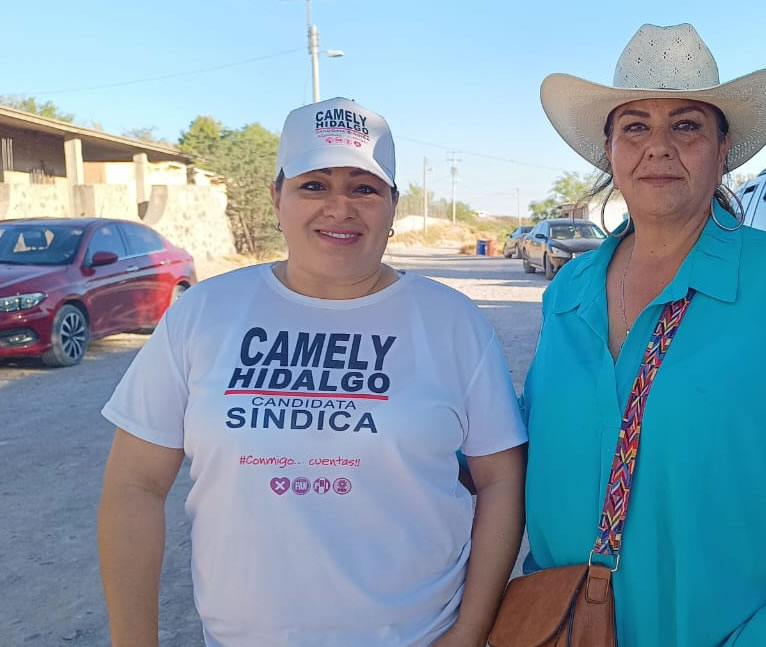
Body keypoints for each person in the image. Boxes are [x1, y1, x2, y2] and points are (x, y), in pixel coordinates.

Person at [523, 24, 766, 647]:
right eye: (634, 126)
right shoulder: (568, 291)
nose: (658, 146)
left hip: (742, 633)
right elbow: (528, 445)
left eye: (686, 125)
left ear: (722, 148)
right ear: (610, 151)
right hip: (571, 627)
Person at [97, 97, 526, 647]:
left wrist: (468, 632)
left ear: (393, 206)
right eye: (314, 184)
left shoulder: (452, 322)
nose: (340, 207)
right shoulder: (204, 315)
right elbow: (135, 485)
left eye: (364, 188)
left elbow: (501, 479)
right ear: (277, 197)